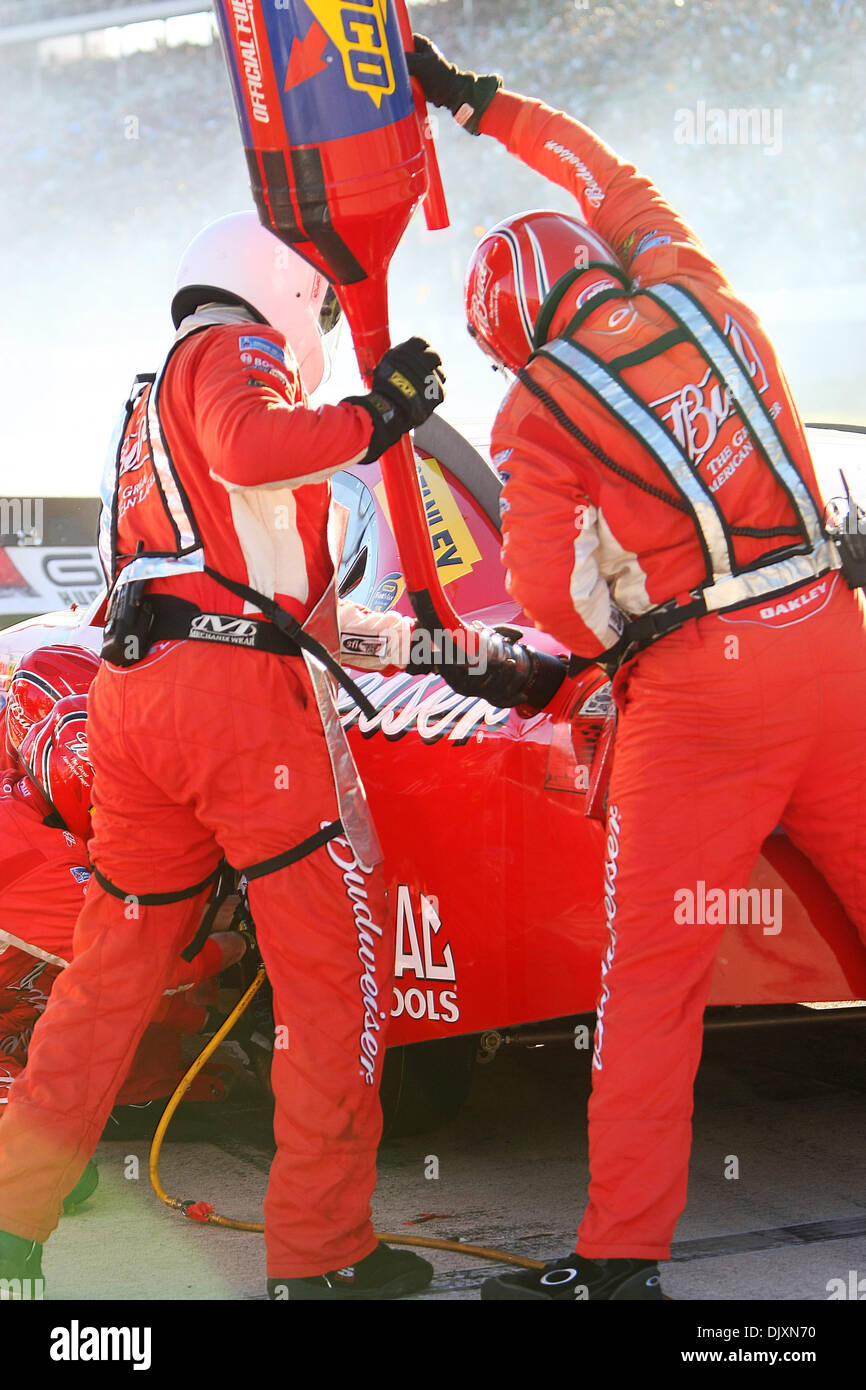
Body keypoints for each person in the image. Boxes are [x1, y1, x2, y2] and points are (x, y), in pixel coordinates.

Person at [407, 34, 866, 1300]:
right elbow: (599, 162)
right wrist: (472, 102)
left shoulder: (536, 403)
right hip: (834, 637)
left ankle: (618, 1270)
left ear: (508, 334)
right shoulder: (693, 279)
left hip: (702, 694)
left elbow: (551, 595)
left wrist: (615, 643)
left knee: (651, 988)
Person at [0, 210, 445, 1301]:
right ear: (282, 290)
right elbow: (256, 447)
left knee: (107, 984)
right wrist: (377, 416)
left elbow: (270, 588)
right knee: (329, 978)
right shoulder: (233, 351)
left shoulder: (147, 400)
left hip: (136, 699)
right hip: (233, 711)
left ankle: (12, 1223)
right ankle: (321, 1254)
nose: (326, 323)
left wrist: (444, 647)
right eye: (325, 305)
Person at [0, 688, 245, 1130]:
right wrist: (228, 949)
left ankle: (137, 1087)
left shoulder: (22, 806)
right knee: (39, 1147)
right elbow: (130, 974)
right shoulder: (42, 861)